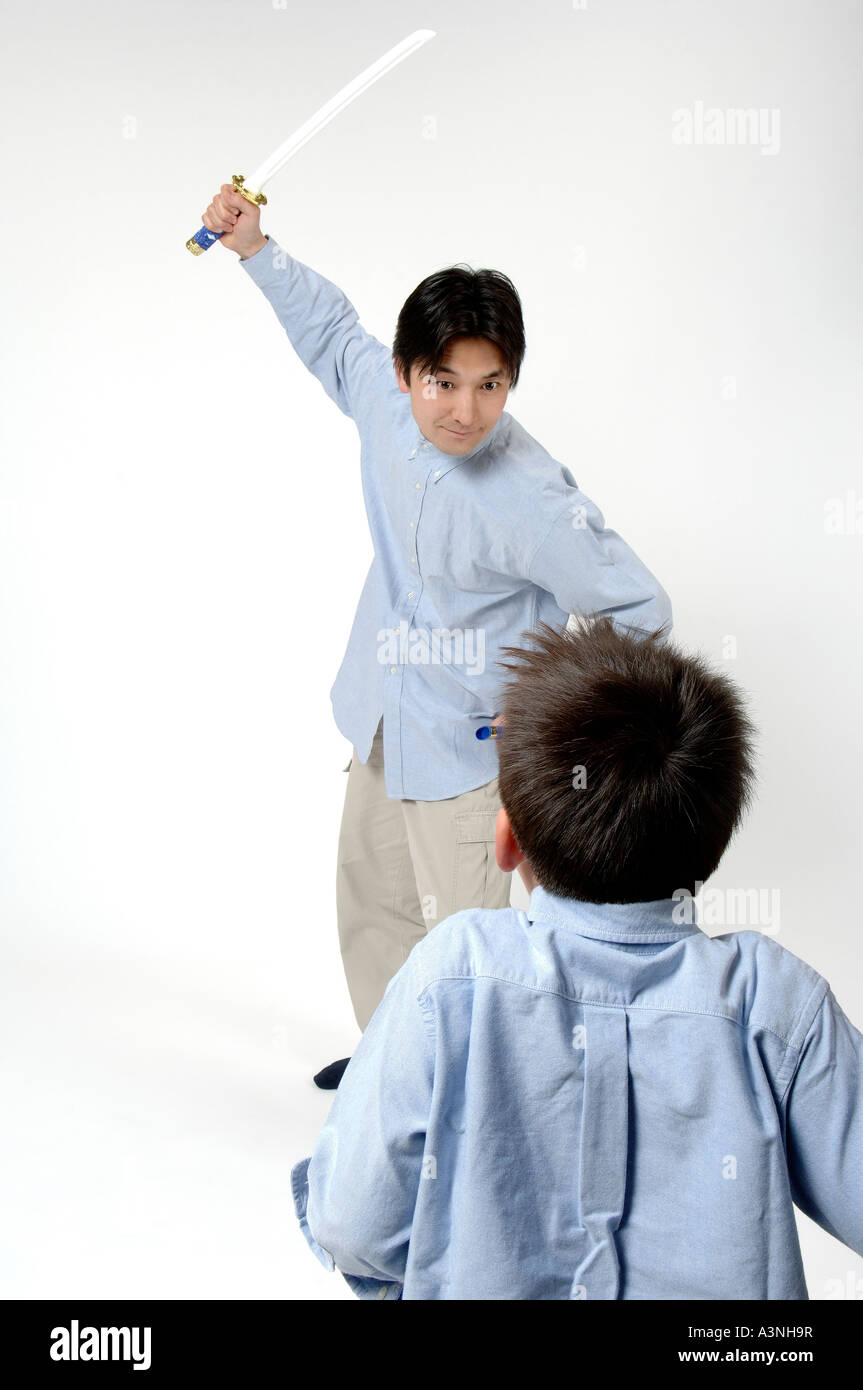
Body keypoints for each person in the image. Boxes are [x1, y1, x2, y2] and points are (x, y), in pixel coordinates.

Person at [201, 185, 672, 1087]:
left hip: (472, 749)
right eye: (442, 381)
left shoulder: (533, 499)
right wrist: (256, 249)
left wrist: (550, 730)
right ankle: (393, 1069)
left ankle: (467, 1104)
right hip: (384, 715)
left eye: (489, 384)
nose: (464, 410)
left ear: (510, 381)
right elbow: (331, 330)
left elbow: (638, 611)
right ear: (406, 372)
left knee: (467, 948)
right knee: (371, 903)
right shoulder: (383, 407)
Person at [289, 617, 863, 1300]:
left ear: (505, 838)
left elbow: (353, 1226)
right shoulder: (775, 1003)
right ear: (709, 849)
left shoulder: (452, 976)